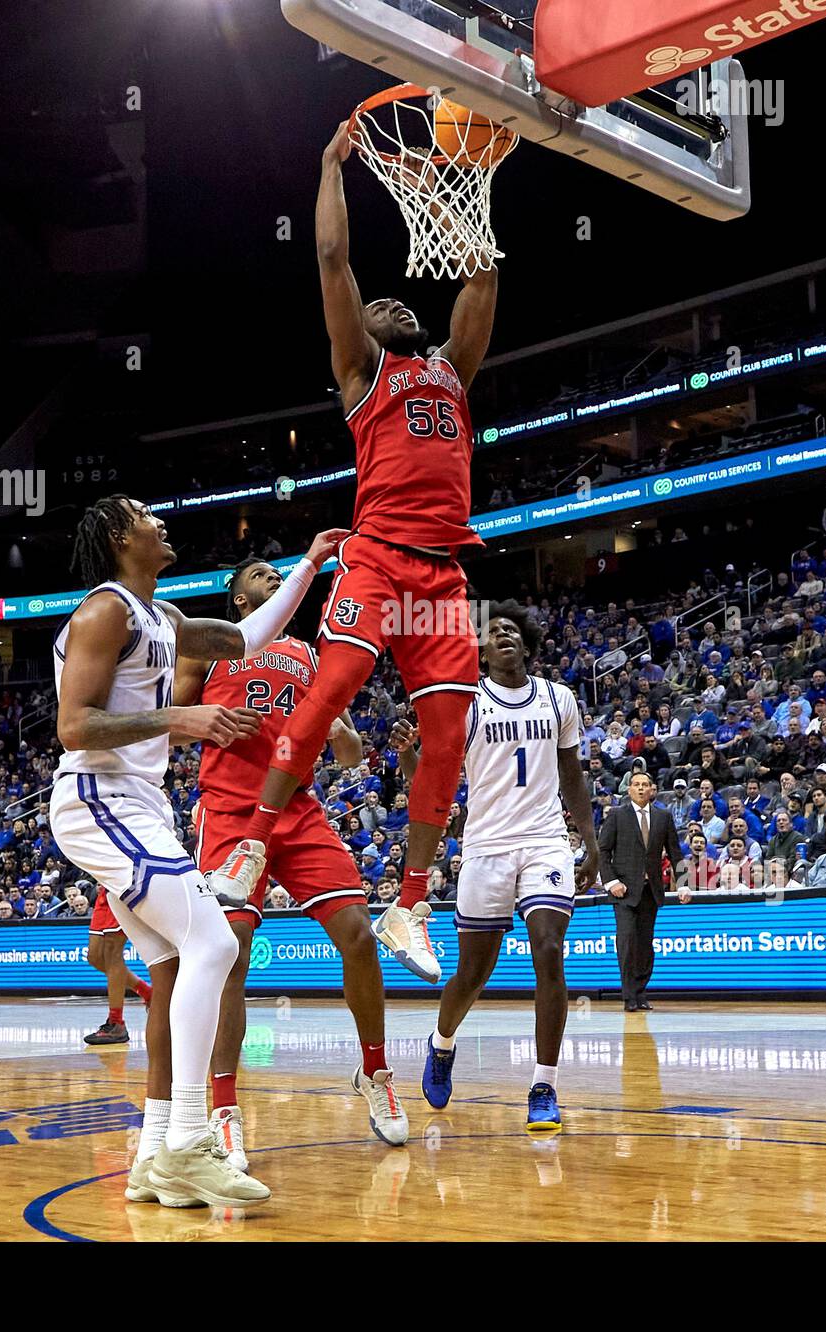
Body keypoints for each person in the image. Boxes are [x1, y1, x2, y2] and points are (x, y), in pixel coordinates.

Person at [206, 120, 501, 989]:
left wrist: (462, 181)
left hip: (442, 572)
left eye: (404, 304)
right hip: (374, 560)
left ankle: (409, 900)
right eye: (384, 307)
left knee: (451, 733)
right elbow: (334, 262)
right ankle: (251, 849)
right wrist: (333, 168)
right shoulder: (363, 371)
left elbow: (481, 274)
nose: (396, 307)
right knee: (330, 687)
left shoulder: (452, 371)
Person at [51, 492, 344, 1208]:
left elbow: (245, 639)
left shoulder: (166, 618)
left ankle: (152, 1158)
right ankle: (189, 1139)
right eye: (147, 514)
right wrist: (180, 715)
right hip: (99, 799)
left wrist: (308, 567)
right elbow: (75, 726)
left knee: (182, 962)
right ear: (121, 535)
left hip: (140, 805)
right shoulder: (105, 610)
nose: (162, 521)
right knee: (216, 946)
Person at [173, 555, 407, 1160]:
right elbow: (170, 727)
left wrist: (338, 732)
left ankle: (376, 1073)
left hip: (296, 810)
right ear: (238, 599)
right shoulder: (209, 649)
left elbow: (351, 755)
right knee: (230, 956)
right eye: (258, 574)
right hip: (227, 811)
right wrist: (207, 722)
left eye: (278, 571)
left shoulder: (308, 654)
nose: (272, 576)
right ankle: (223, 1107)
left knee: (358, 934)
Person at [398, 603, 599, 1132]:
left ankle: (543, 1085)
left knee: (550, 952)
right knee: (473, 973)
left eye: (512, 630)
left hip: (545, 841)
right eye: (493, 632)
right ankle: (442, 1045)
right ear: (480, 652)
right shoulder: (465, 708)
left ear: (527, 645)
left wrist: (591, 840)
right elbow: (434, 783)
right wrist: (404, 758)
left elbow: (573, 775)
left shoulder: (559, 699)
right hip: (485, 845)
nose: (503, 636)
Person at [598, 770, 685, 1011]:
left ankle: (640, 992)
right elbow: (603, 852)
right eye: (636, 784)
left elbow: (676, 853)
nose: (640, 788)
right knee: (626, 942)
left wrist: (684, 883)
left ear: (651, 789)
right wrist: (611, 882)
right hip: (624, 892)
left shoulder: (663, 817)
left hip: (651, 891)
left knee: (645, 945)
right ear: (629, 789)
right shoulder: (617, 815)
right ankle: (628, 996)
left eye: (645, 785)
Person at [83, 884, 154, 1046]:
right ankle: (148, 993)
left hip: (122, 885)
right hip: (104, 888)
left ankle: (116, 1023)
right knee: (94, 957)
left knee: (112, 952)